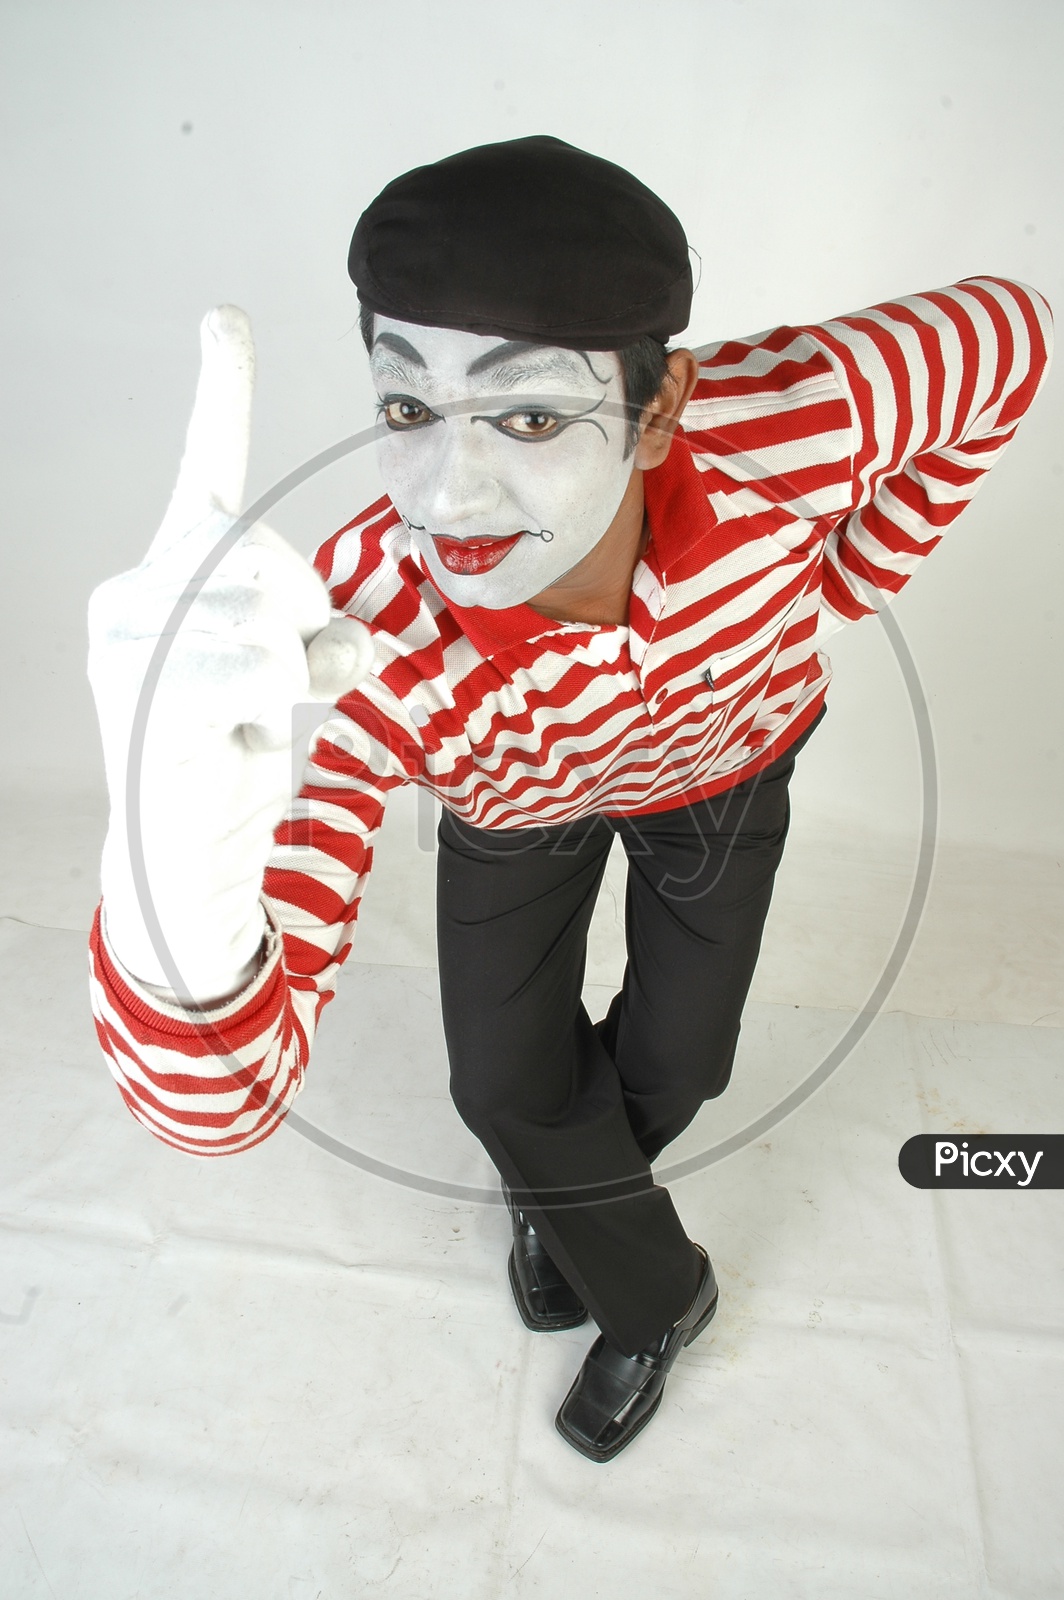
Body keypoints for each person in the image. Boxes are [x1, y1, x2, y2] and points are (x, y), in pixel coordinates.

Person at [87, 135, 1052, 1463]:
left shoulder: (797, 424)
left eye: (531, 416)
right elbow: (221, 1103)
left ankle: (569, 1188)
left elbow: (1008, 341)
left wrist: (846, 585)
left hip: (724, 771)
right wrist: (169, 858)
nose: (447, 494)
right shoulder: (357, 627)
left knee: (684, 1061)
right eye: (410, 409)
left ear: (656, 413)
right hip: (518, 806)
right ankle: (655, 1296)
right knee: (503, 1081)